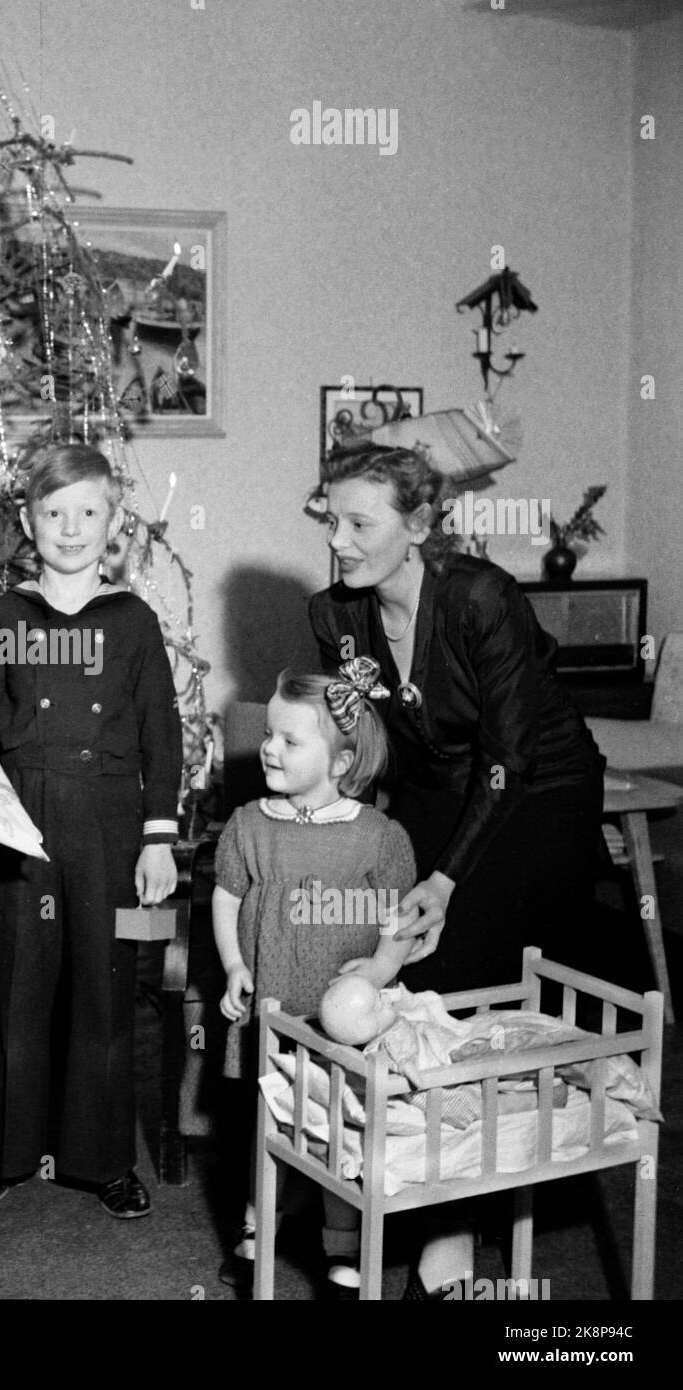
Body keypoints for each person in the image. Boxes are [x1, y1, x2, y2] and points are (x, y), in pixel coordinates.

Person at [307, 441, 606, 1298]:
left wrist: (445, 879)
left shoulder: (482, 596)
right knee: (416, 962)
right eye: (332, 519)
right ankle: (426, 1183)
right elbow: (369, 749)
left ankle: (453, 1240)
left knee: (477, 963)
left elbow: (507, 756)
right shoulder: (335, 616)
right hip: (444, 782)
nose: (340, 540)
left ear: (421, 525)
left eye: (361, 522)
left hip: (538, 786)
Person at [0, 444, 181, 1218]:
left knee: (105, 991)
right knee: (16, 987)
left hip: (111, 826)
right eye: (53, 514)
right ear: (27, 522)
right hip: (22, 824)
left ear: (114, 522)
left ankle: (105, 1160)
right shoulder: (8, 615)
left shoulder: (133, 621)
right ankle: (9, 1154)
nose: (70, 528)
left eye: (88, 512)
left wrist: (158, 839)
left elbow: (163, 734)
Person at [212, 660, 417, 1297]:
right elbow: (225, 897)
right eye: (270, 733)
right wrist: (234, 965)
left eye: (290, 740)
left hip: (342, 1021)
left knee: (344, 1133)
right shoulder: (249, 824)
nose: (269, 747)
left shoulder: (378, 837)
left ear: (340, 763)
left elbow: (399, 919)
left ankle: (344, 1249)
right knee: (268, 1124)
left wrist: (383, 968)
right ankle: (258, 1225)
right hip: (273, 1008)